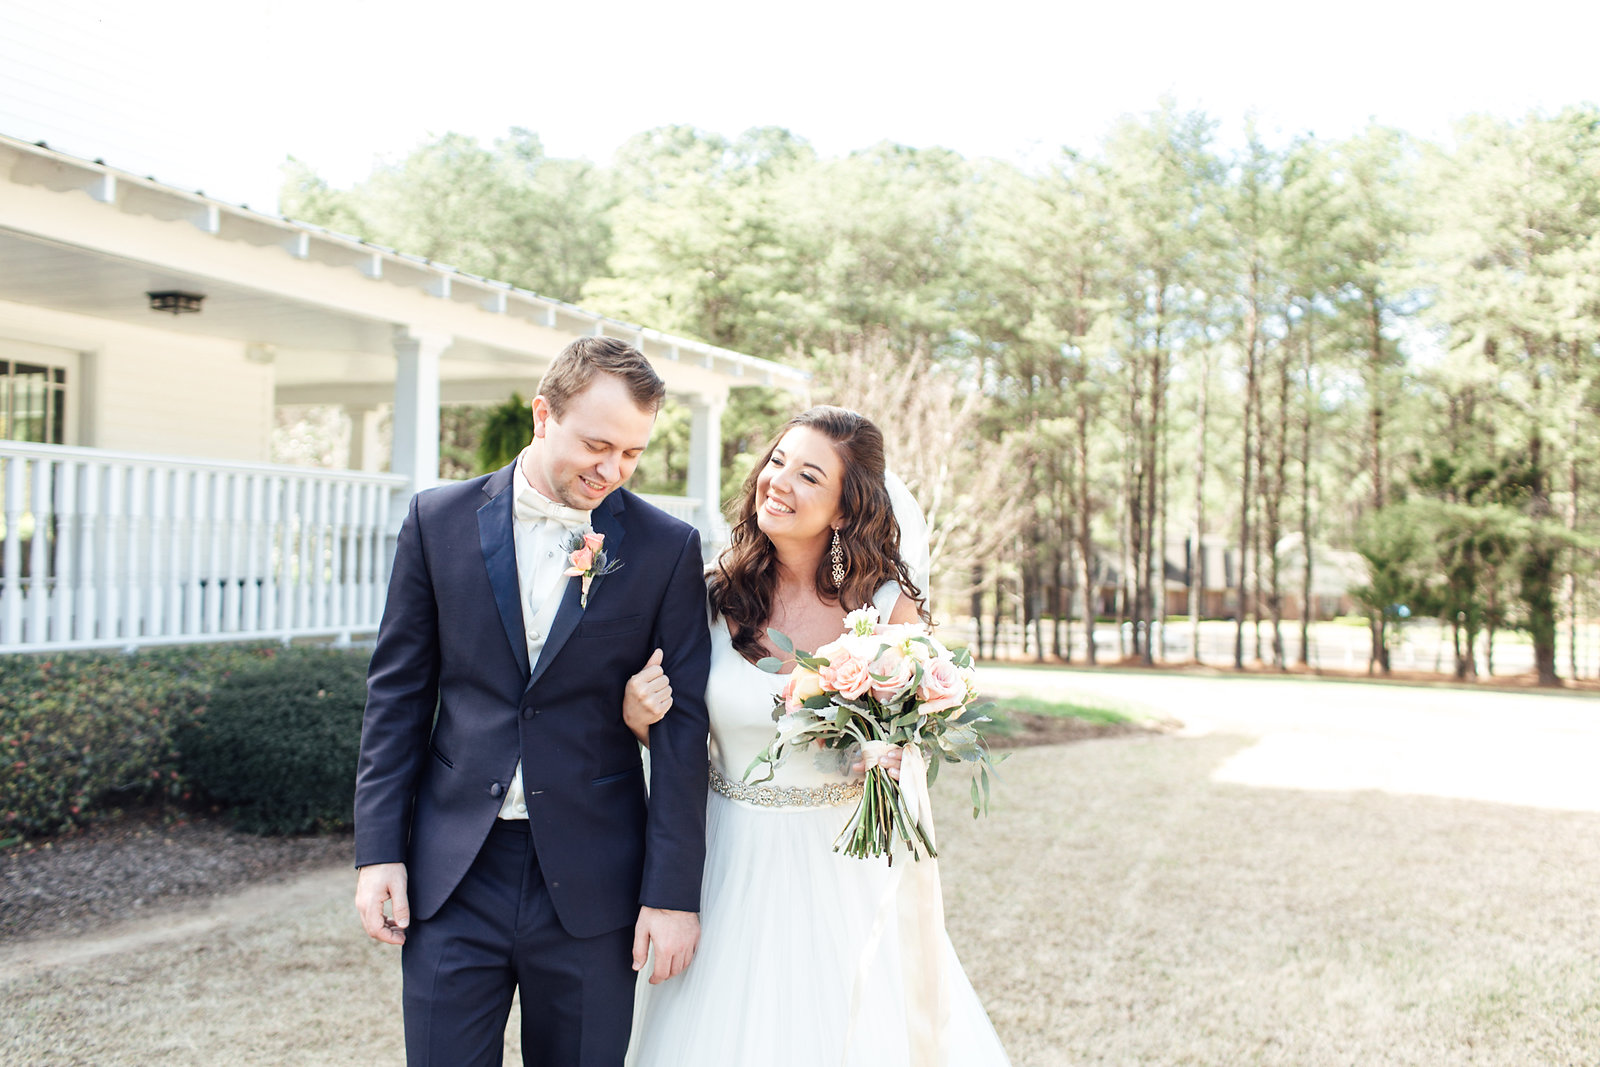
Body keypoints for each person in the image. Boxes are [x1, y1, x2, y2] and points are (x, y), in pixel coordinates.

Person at [353, 337, 713, 1067]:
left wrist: (672, 894)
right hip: (453, 873)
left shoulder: (665, 547)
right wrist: (378, 852)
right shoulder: (436, 520)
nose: (611, 470)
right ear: (543, 414)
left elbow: (681, 729)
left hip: (593, 883)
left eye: (632, 454)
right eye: (597, 444)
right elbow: (396, 695)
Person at [621, 406, 1012, 1066]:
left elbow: (909, 731)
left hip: (842, 865)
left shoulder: (886, 608)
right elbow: (686, 737)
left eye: (807, 474)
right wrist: (639, 719)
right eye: (776, 461)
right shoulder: (711, 596)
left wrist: (892, 754)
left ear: (842, 509)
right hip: (728, 854)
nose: (778, 480)